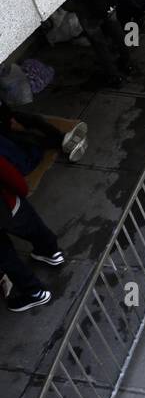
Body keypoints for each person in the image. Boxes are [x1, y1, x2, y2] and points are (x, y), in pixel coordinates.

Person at [0, 154, 64, 313]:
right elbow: (9, 174)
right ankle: (51, 252)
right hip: (9, 204)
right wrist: (21, 192)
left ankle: (34, 292)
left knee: (6, 257)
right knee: (34, 227)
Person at [0, 104, 87, 169]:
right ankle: (65, 144)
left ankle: (64, 139)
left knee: (36, 119)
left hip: (7, 117)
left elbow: (3, 107)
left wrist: (10, 119)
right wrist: (7, 125)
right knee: (29, 139)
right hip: (3, 131)